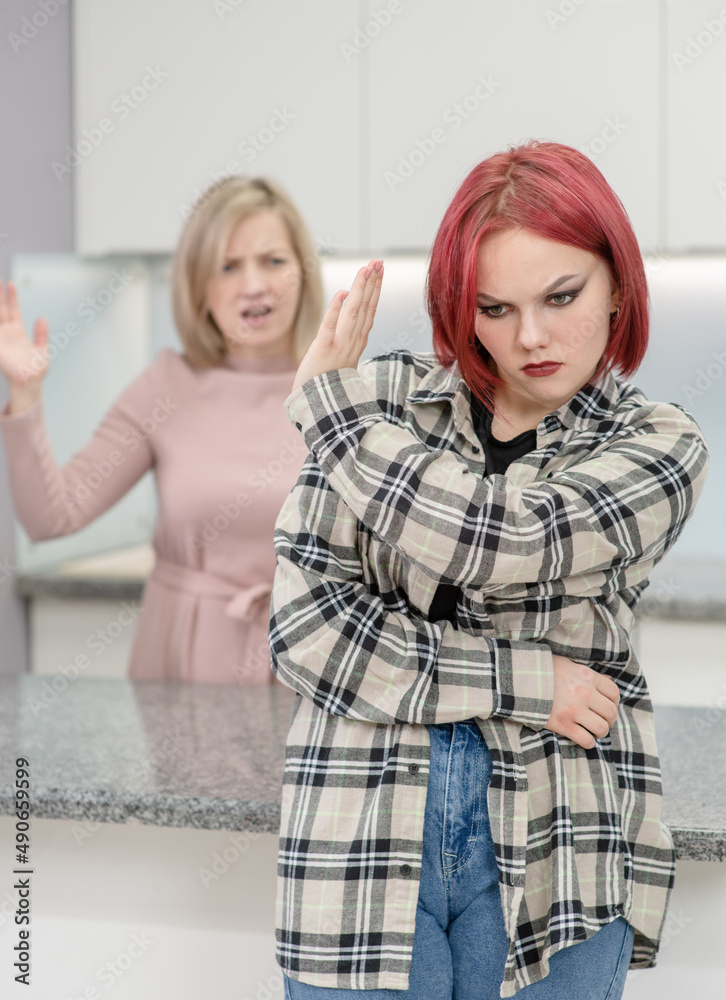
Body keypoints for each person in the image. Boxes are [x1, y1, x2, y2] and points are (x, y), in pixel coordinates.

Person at [268, 142, 709, 998]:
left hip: (561, 849)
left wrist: (329, 409)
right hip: (358, 837)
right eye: (494, 307)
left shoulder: (659, 446)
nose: (530, 337)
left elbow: (510, 542)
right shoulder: (385, 404)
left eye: (561, 296)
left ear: (618, 282)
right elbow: (306, 631)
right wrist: (525, 679)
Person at [0, 176, 323, 683]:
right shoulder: (165, 387)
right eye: (228, 266)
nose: (255, 284)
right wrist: (25, 397)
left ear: (303, 273)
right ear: (199, 286)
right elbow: (51, 517)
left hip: (310, 660)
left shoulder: (342, 390)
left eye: (274, 261)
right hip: (182, 660)